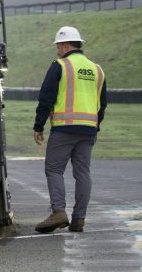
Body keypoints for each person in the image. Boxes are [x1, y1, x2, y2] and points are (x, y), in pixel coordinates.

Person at [33, 26, 107, 234]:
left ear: (65, 45)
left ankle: (58, 212)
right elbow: (103, 103)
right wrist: (95, 126)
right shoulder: (97, 69)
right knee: (83, 173)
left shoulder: (60, 66)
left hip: (64, 129)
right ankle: (78, 220)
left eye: (58, 46)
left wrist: (39, 126)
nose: (57, 50)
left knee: (54, 170)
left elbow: (46, 98)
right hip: (89, 130)